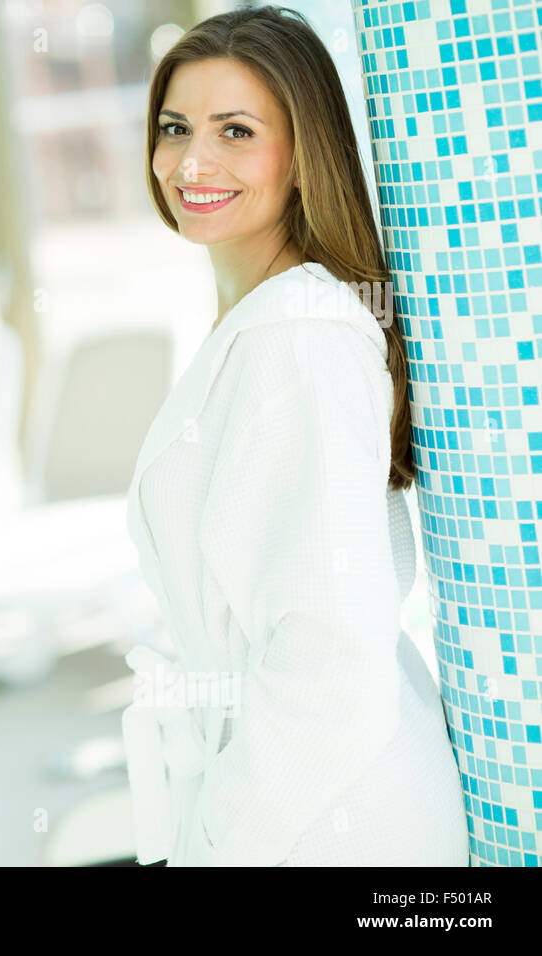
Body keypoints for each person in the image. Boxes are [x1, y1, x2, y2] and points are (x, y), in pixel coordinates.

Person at [121, 5, 467, 865]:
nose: (192, 161)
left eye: (236, 131)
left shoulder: (296, 339)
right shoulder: (262, 326)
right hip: (300, 801)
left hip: (327, 820)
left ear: (303, 153)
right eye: (175, 127)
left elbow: (331, 656)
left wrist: (220, 837)